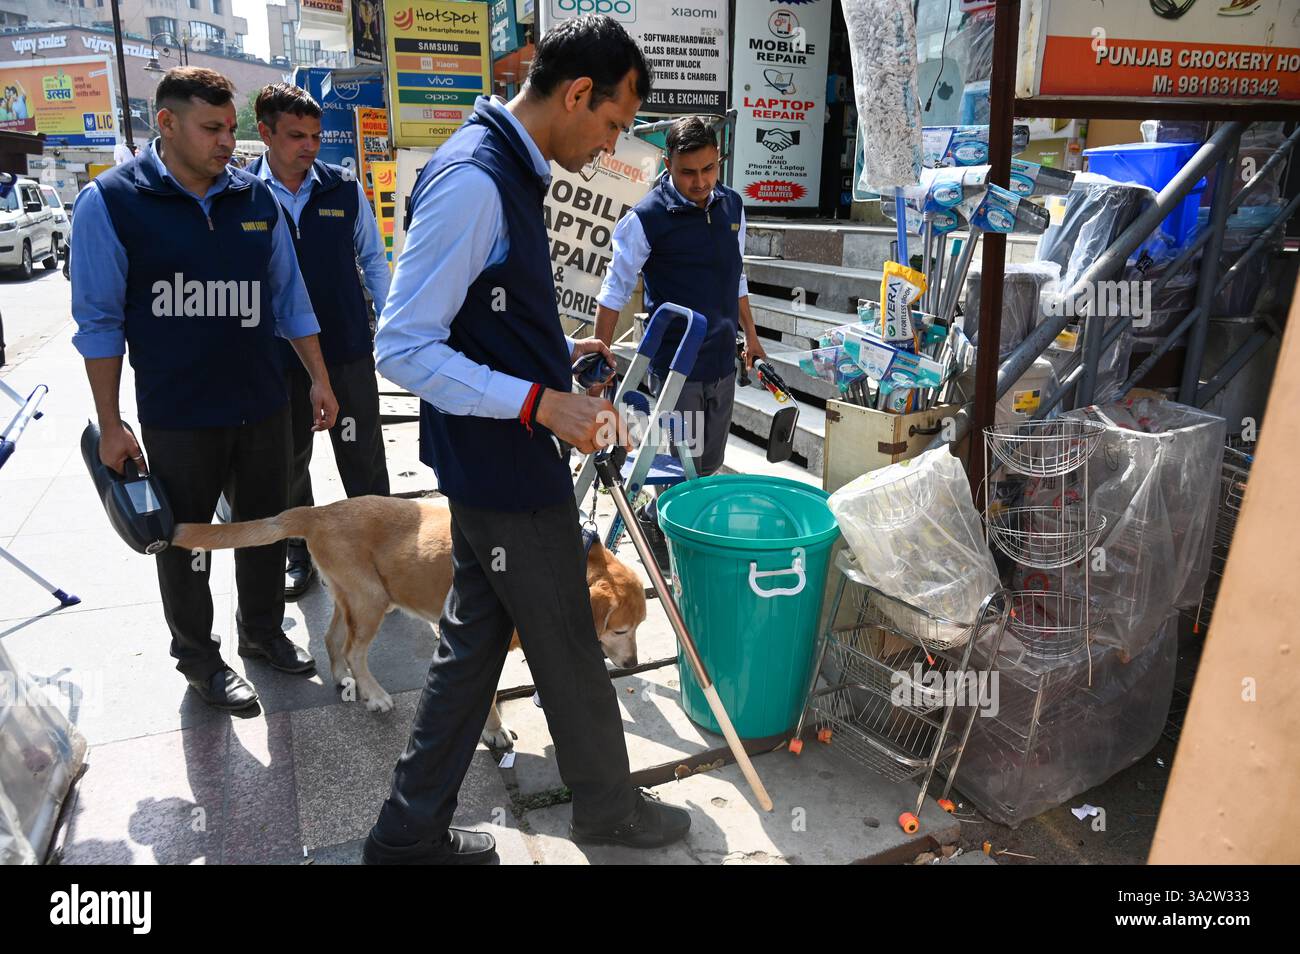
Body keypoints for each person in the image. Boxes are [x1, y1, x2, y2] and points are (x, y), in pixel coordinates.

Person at [370, 14, 690, 865]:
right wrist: (536, 405)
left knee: (474, 646)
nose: (612, 144)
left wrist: (563, 366)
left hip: (496, 463)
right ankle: (609, 813)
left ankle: (407, 833)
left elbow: (485, 320)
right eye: (615, 123)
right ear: (578, 93)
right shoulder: (477, 177)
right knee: (570, 651)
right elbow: (402, 344)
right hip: (507, 473)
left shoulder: (509, 169)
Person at [70, 67, 339, 711]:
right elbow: (100, 324)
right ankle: (198, 658)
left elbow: (289, 299)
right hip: (178, 415)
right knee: (185, 540)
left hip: (262, 404)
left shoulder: (255, 199)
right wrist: (111, 422)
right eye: (211, 127)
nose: (227, 141)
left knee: (265, 528)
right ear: (166, 123)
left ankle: (263, 632)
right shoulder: (111, 203)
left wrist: (320, 380)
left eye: (230, 127)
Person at [594, 115, 764, 566]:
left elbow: (737, 275)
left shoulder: (732, 206)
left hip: (722, 363)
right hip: (675, 371)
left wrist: (752, 336)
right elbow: (613, 291)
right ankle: (671, 541)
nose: (700, 181)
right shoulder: (646, 219)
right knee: (679, 469)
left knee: (708, 464)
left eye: (709, 169)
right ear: (668, 164)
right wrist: (599, 356)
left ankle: (668, 525)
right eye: (688, 172)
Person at [249, 83, 392, 600]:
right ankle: (299, 554)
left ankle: (384, 550)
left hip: (347, 349)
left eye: (314, 135)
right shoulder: (243, 193)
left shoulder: (342, 189)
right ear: (265, 133)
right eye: (295, 136)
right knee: (288, 463)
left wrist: (393, 323)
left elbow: (373, 260)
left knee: (363, 457)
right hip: (276, 357)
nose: (309, 146)